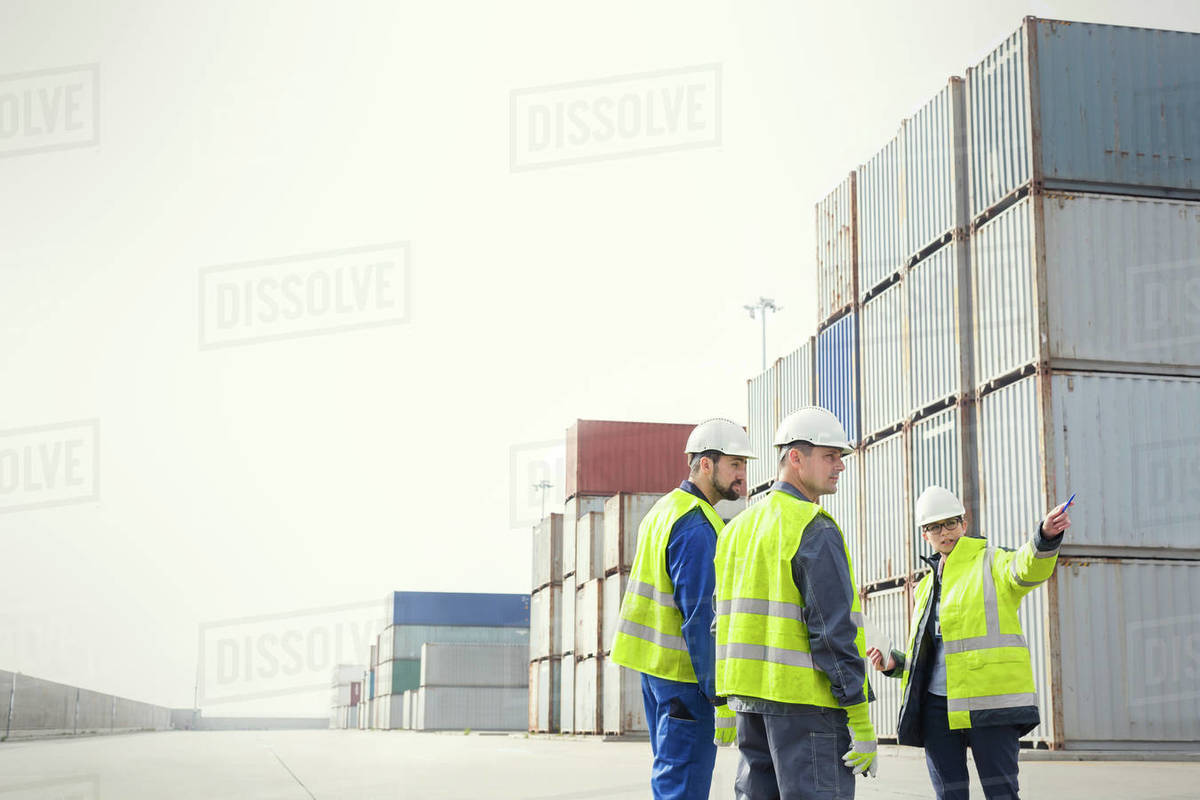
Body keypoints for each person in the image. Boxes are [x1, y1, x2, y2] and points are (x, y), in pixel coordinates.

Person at [866, 485, 1071, 800]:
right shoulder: (925, 588)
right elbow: (930, 656)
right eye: (935, 527)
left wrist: (1044, 537)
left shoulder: (992, 562)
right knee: (950, 794)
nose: (945, 532)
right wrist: (894, 663)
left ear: (964, 523)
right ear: (925, 534)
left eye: (951, 523)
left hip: (990, 703)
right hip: (937, 708)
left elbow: (1027, 568)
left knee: (1001, 792)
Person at [713, 406, 876, 800]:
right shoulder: (813, 527)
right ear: (796, 457)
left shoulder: (736, 530)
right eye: (830, 456)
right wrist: (860, 716)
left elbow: (719, 624)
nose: (839, 466)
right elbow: (834, 632)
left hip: (751, 707)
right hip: (808, 707)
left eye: (841, 457)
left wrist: (723, 702)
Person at [610, 418, 755, 800]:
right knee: (683, 788)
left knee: (671, 777)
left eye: (743, 465)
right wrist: (719, 696)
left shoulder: (663, 510)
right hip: (687, 680)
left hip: (656, 673)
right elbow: (702, 620)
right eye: (735, 465)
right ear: (705, 464)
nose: (742, 475)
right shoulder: (696, 525)